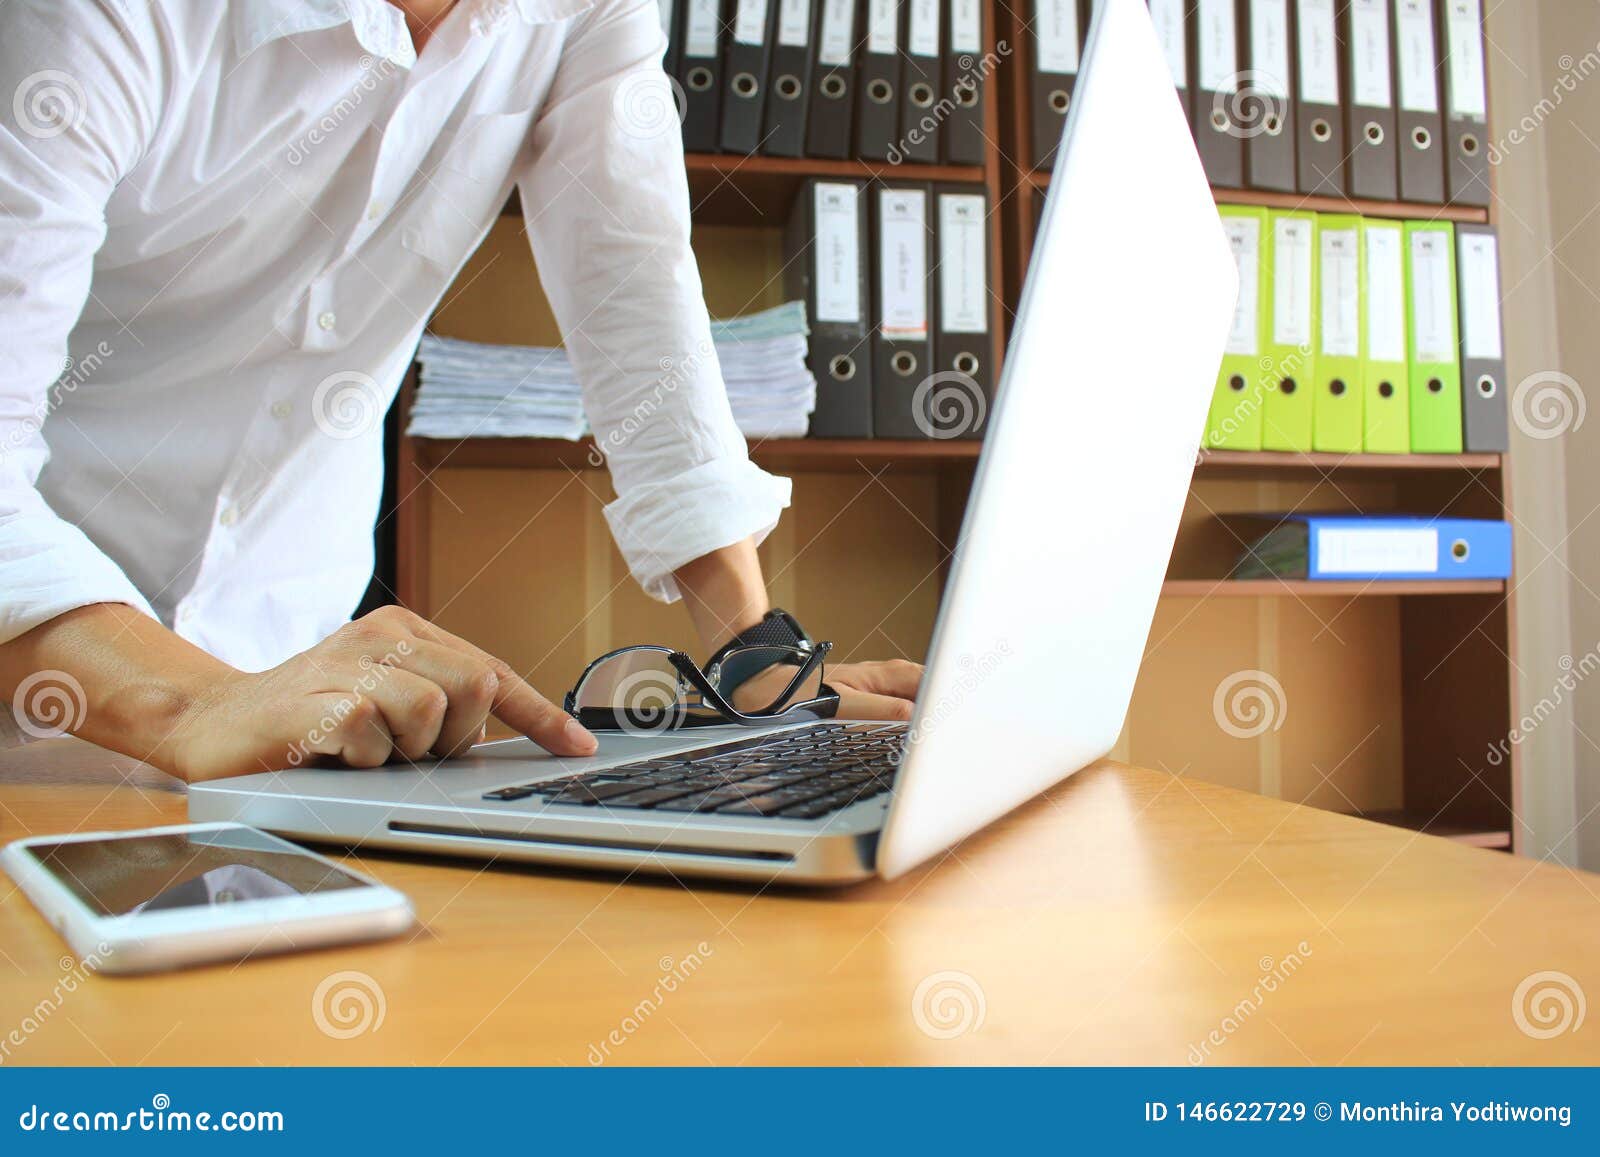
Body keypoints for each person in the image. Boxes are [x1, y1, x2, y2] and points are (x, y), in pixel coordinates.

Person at [0, 0, 921, 781]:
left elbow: (633, 286)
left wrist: (753, 661)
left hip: (292, 707)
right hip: (38, 679)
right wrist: (187, 702)